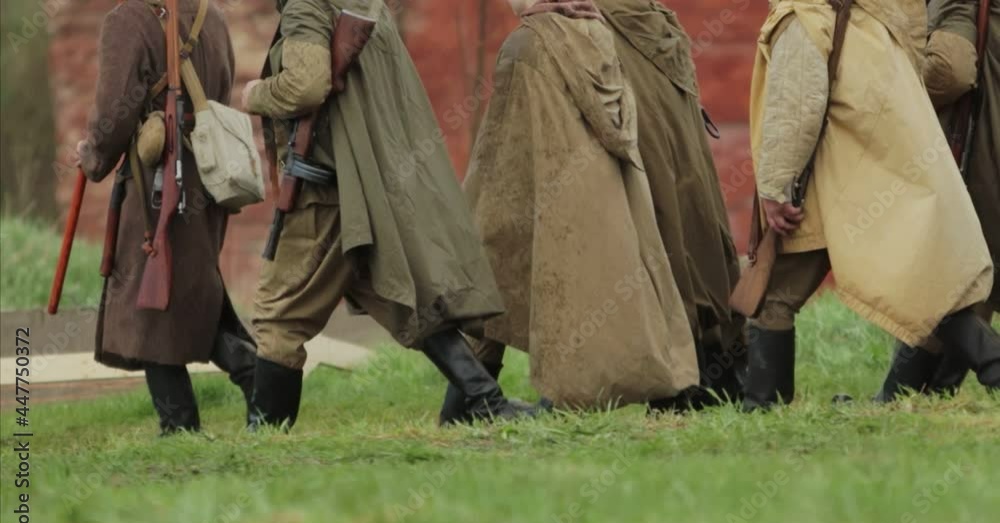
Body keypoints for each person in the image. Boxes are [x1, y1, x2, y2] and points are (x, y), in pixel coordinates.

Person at [241, 0, 535, 429]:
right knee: (405, 302)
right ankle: (483, 399)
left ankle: (264, 440)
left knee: (279, 315)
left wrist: (256, 94)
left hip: (327, 192)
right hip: (368, 186)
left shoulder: (306, 6)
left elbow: (305, 86)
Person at [440, 0, 700, 422]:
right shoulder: (598, 36)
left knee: (504, 232)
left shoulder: (534, 44)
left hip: (544, 47)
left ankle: (477, 398)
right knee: (581, 229)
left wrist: (532, 4)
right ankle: (474, 397)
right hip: (590, 41)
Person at [742, 0, 999, 412]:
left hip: (830, 186)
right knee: (924, 287)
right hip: (878, 182)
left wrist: (774, 186)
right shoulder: (879, 16)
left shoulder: (804, 16)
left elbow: (795, 107)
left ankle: (762, 406)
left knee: (775, 291)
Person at [75, 0, 256, 435]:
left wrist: (92, 155)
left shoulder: (128, 19)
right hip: (205, 178)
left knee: (151, 301)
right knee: (186, 292)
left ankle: (181, 424)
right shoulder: (212, 16)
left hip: (154, 182)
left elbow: (114, 111)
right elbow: (220, 91)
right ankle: (252, 375)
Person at [596, 0, 748, 411]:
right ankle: (705, 369)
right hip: (627, 44)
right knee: (675, 212)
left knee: (680, 213)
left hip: (645, 47)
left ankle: (700, 371)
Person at [872, 0, 999, 401]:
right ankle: (919, 392)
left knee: (947, 268)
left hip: (982, 146)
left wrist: (889, 97)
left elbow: (950, 72)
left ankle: (904, 393)